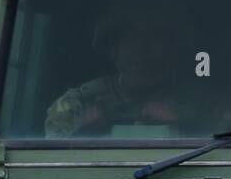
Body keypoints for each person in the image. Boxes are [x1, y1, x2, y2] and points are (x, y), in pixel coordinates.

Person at [45, 15, 187, 137]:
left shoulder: (198, 101)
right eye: (131, 36)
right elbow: (48, 159)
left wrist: (184, 127)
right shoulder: (77, 103)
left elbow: (208, 146)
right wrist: (83, 135)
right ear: (114, 49)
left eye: (156, 36)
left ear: (171, 48)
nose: (141, 48)